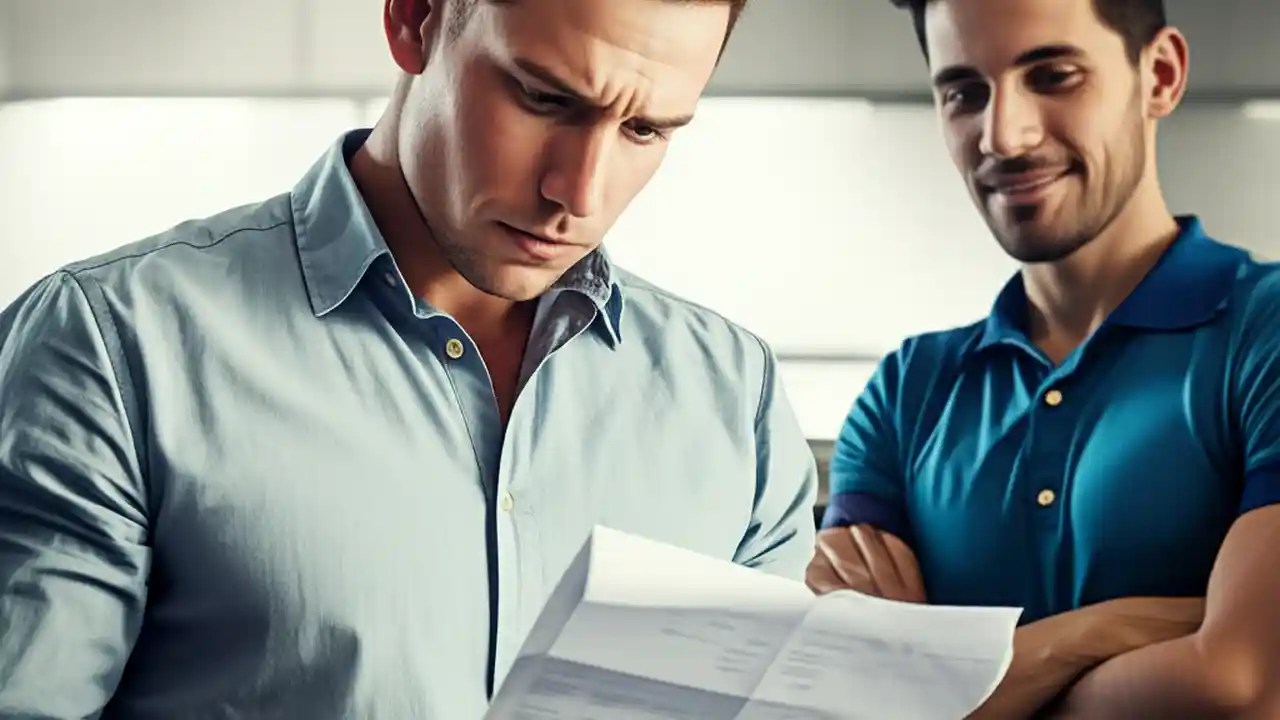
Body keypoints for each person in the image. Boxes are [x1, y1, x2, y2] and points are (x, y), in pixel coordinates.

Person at [0, 0, 819, 716]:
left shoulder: (732, 397)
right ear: (413, 18)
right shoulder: (111, 346)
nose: (581, 192)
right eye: (543, 98)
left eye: (644, 129)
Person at [807, 0, 1280, 717]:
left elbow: (1243, 684)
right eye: (965, 93)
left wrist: (960, 694)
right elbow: (858, 697)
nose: (1005, 135)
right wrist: (1105, 632)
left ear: (1159, 74)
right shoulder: (906, 391)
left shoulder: (1265, 331)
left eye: (1054, 76)